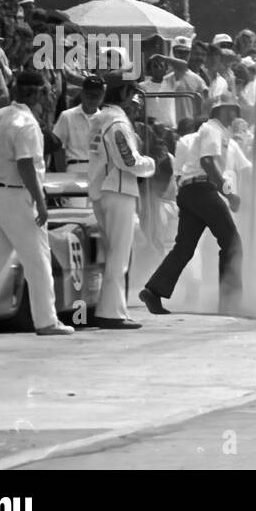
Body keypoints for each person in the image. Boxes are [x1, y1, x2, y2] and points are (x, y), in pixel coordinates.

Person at [0, 71, 74, 336]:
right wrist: (40, 201)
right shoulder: (27, 123)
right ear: (38, 94)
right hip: (14, 195)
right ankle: (46, 321)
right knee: (38, 258)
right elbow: (25, 164)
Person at [140, 93, 246, 316]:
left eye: (235, 109)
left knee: (185, 247)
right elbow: (206, 162)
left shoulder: (217, 131)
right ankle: (231, 304)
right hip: (201, 189)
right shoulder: (212, 129)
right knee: (232, 243)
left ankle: (153, 291)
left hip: (191, 191)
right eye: (230, 109)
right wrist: (228, 193)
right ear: (218, 111)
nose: (234, 114)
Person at [88, 76, 156, 329]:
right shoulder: (117, 122)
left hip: (104, 189)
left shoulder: (99, 118)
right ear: (125, 93)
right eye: (133, 93)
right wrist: (150, 163)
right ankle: (111, 313)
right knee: (119, 255)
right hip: (117, 190)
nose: (135, 99)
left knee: (114, 254)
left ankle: (112, 309)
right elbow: (128, 161)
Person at [53, 76, 105, 174]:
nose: (92, 99)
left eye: (96, 95)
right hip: (74, 168)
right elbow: (58, 149)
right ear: (82, 94)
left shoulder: (106, 119)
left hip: (99, 171)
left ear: (102, 96)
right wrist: (63, 175)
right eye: (89, 95)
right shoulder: (67, 116)